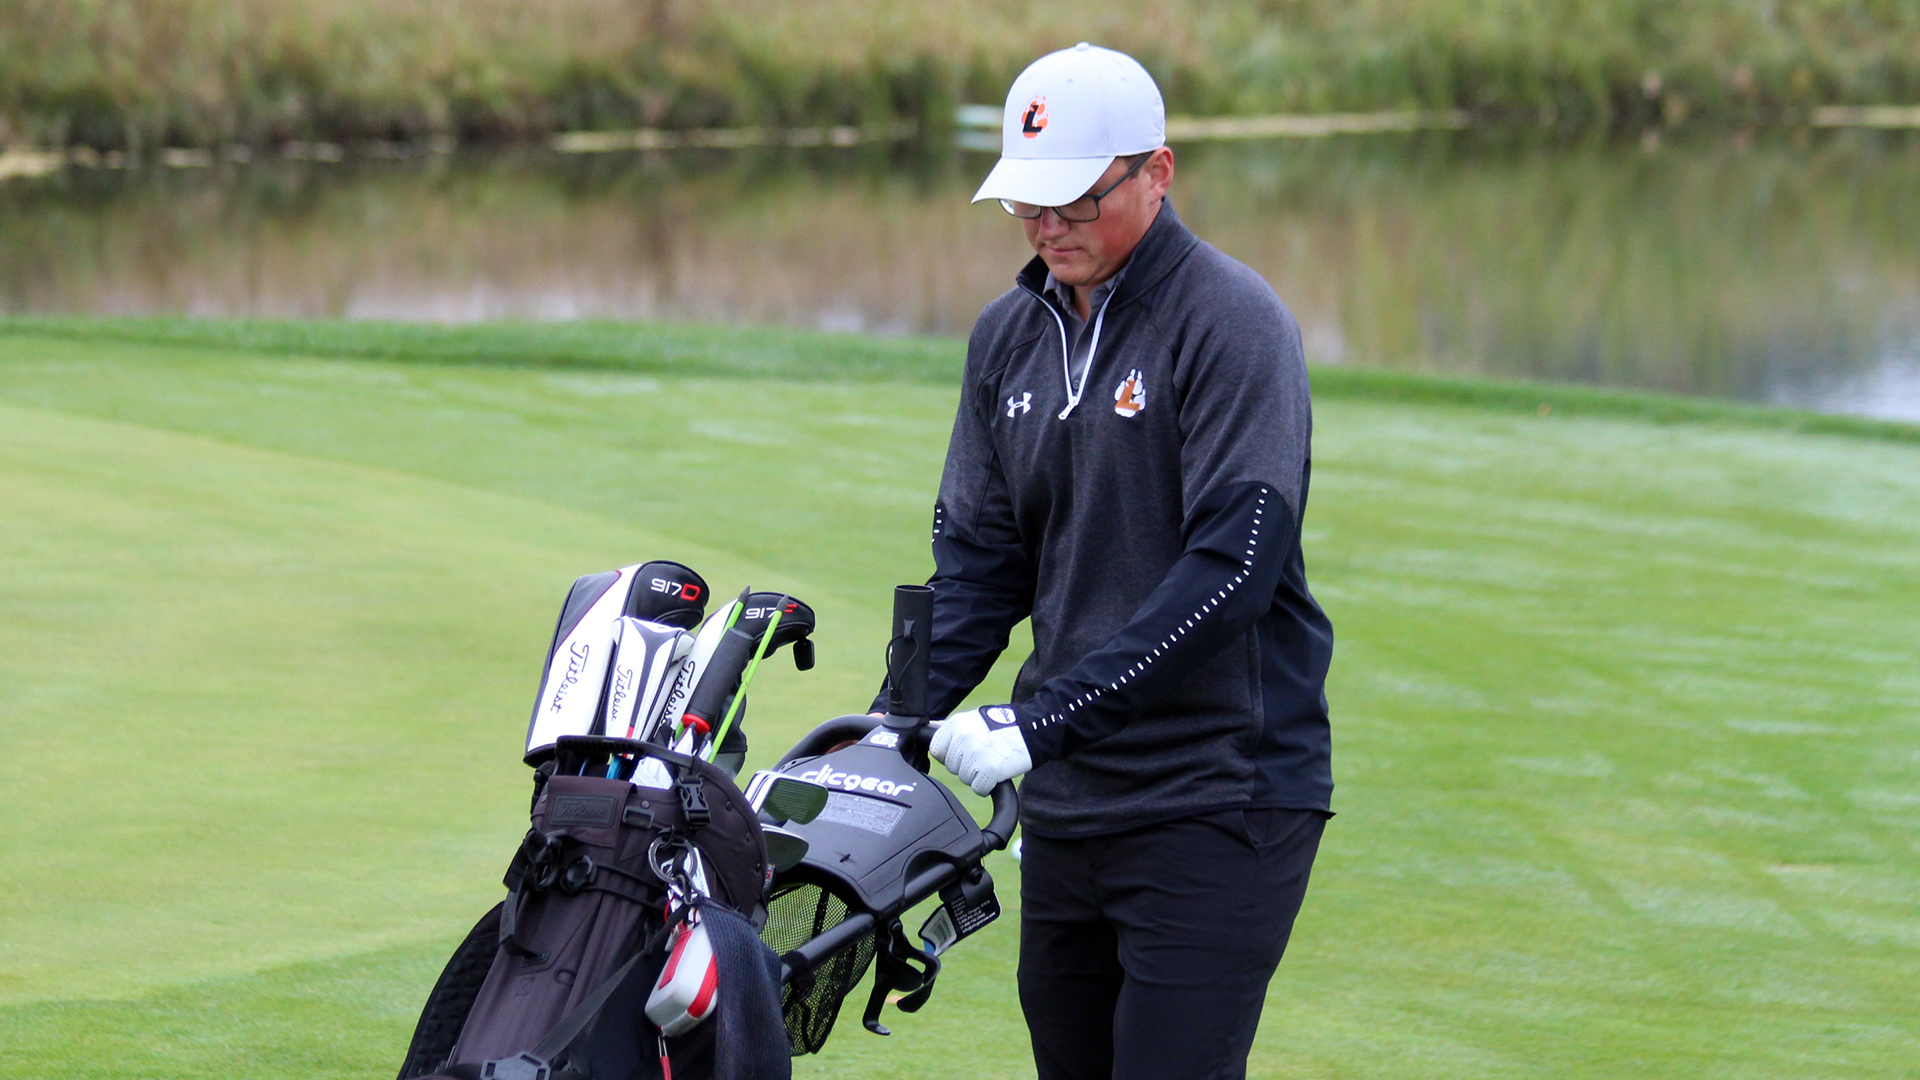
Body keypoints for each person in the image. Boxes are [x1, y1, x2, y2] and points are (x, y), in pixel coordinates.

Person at [891, 43, 1336, 1080]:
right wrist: (889, 724)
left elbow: (1234, 569)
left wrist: (1043, 721)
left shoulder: (1230, 322)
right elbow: (981, 568)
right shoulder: (1008, 336)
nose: (1049, 225)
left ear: (1157, 172)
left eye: (1077, 200)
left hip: (1219, 791)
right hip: (1068, 799)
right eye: (1027, 202)